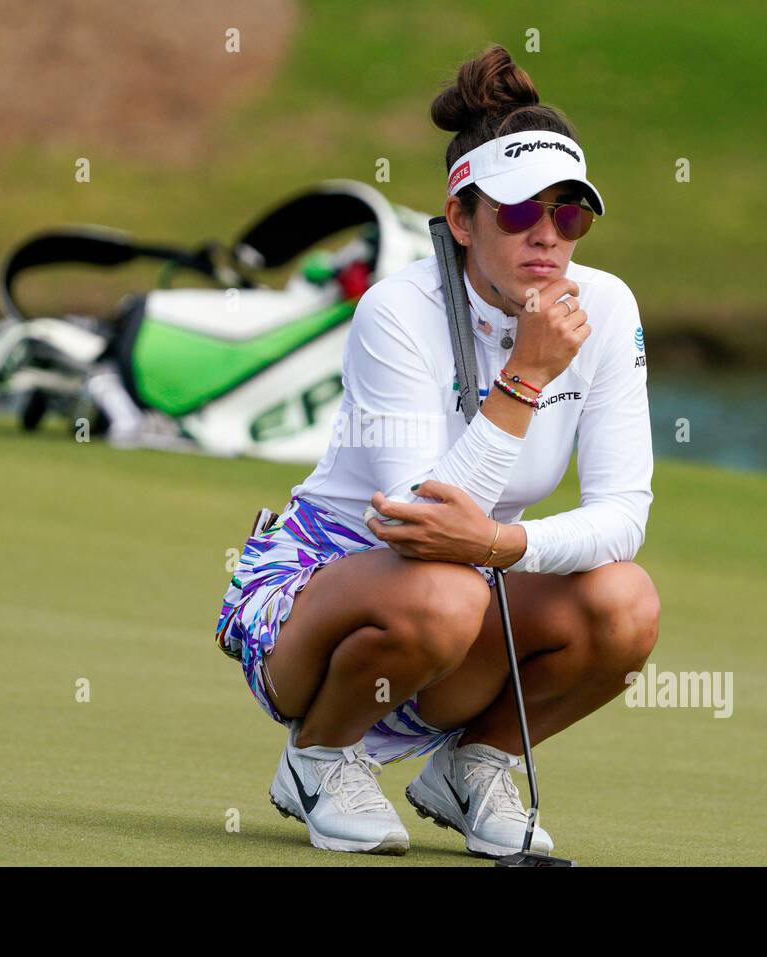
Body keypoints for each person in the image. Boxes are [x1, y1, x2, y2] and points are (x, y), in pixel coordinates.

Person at [214, 43, 660, 858]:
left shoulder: (605, 304)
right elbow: (415, 522)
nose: (548, 238)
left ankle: (473, 764)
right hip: (317, 596)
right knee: (446, 594)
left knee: (625, 605)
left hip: (468, 580)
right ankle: (317, 757)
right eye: (520, 213)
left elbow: (624, 513)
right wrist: (525, 376)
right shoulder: (397, 310)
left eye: (569, 215)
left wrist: (503, 544)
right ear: (461, 220)